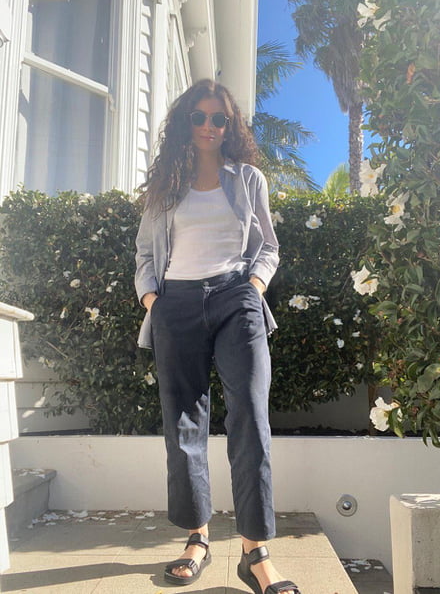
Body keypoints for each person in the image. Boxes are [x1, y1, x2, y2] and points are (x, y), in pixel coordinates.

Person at [135, 79, 300, 594]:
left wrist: (254, 287)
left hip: (236, 297)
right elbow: (144, 254)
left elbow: (268, 246)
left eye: (219, 118)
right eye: (200, 117)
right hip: (176, 303)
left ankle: (255, 554)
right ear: (186, 122)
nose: (209, 126)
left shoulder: (248, 179)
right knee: (184, 422)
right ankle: (197, 539)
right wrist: (153, 301)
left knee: (250, 415)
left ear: (231, 126)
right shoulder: (166, 185)